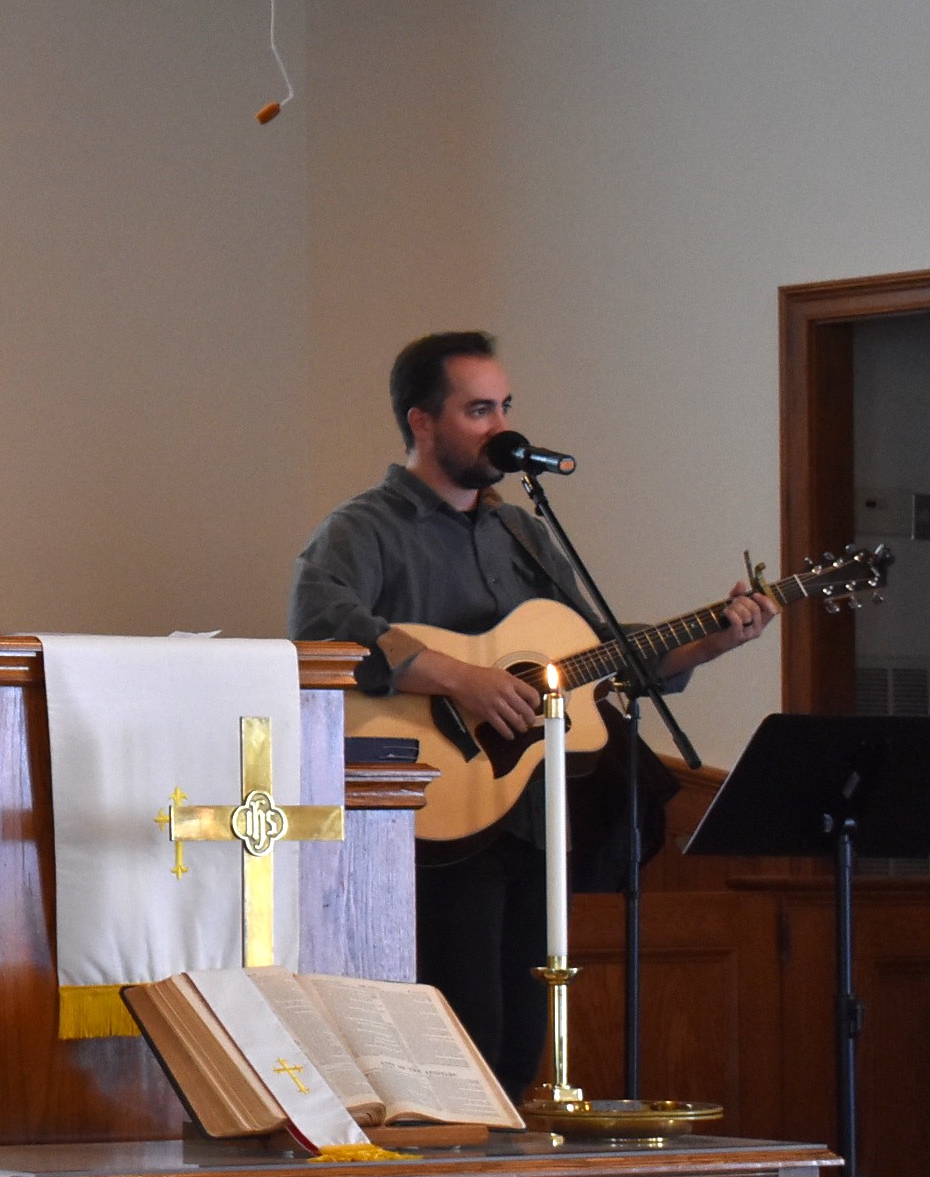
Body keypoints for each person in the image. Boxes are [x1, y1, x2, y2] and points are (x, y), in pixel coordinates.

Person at [291, 331, 775, 1099]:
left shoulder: (522, 531)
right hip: (432, 814)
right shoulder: (365, 528)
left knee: (521, 1036)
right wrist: (462, 681)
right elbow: (322, 624)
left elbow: (596, 654)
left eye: (505, 407)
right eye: (478, 409)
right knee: (462, 1025)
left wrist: (714, 639)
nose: (500, 426)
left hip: (533, 813)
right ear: (422, 422)